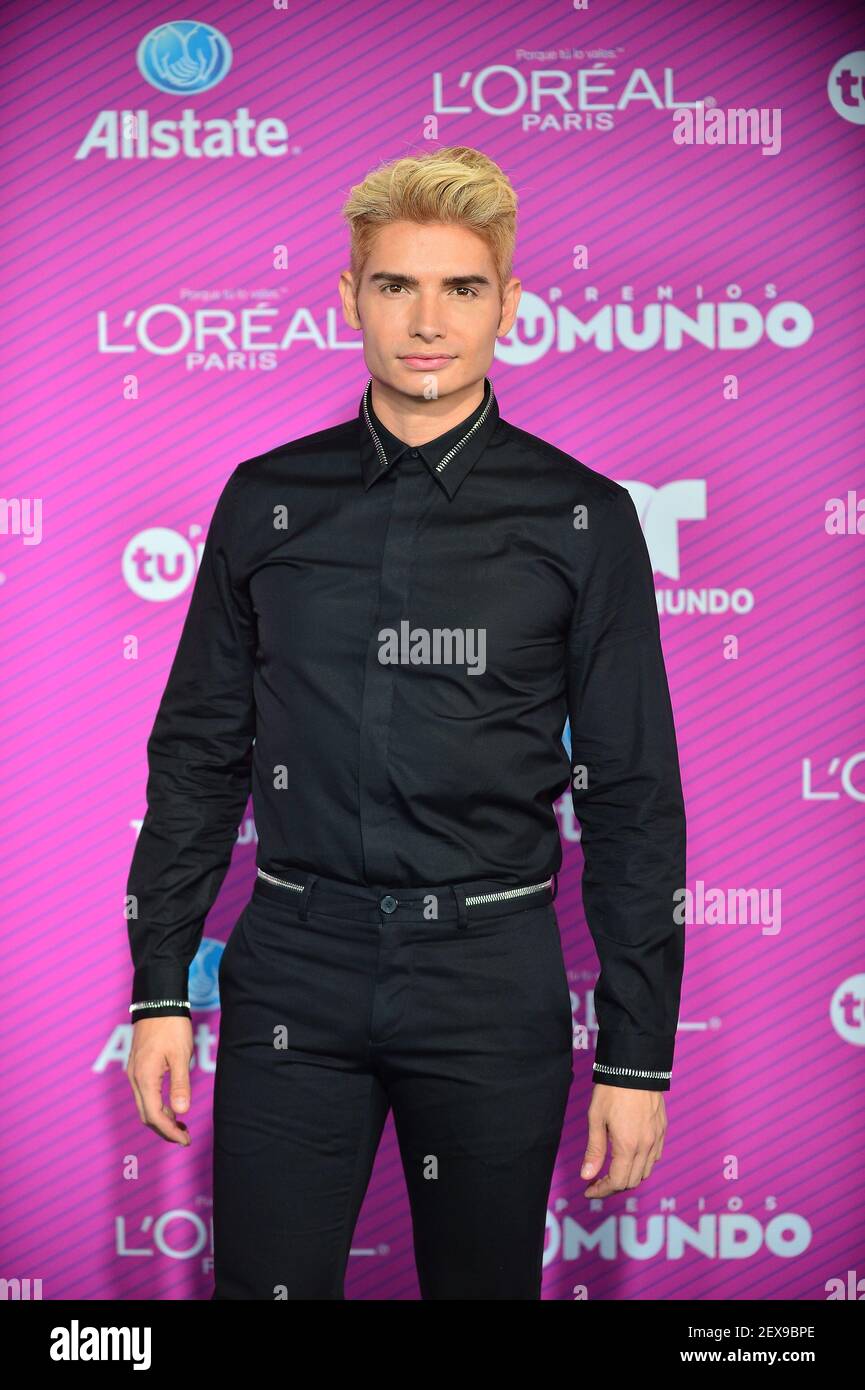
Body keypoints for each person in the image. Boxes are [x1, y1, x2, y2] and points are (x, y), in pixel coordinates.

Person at [125, 145, 686, 1300]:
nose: (427, 320)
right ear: (349, 298)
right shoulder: (265, 497)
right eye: (395, 285)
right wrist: (161, 983)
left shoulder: (583, 518)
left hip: (488, 973)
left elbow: (631, 792)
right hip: (295, 964)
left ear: (508, 305)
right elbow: (196, 753)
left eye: (461, 288)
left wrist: (637, 1054)